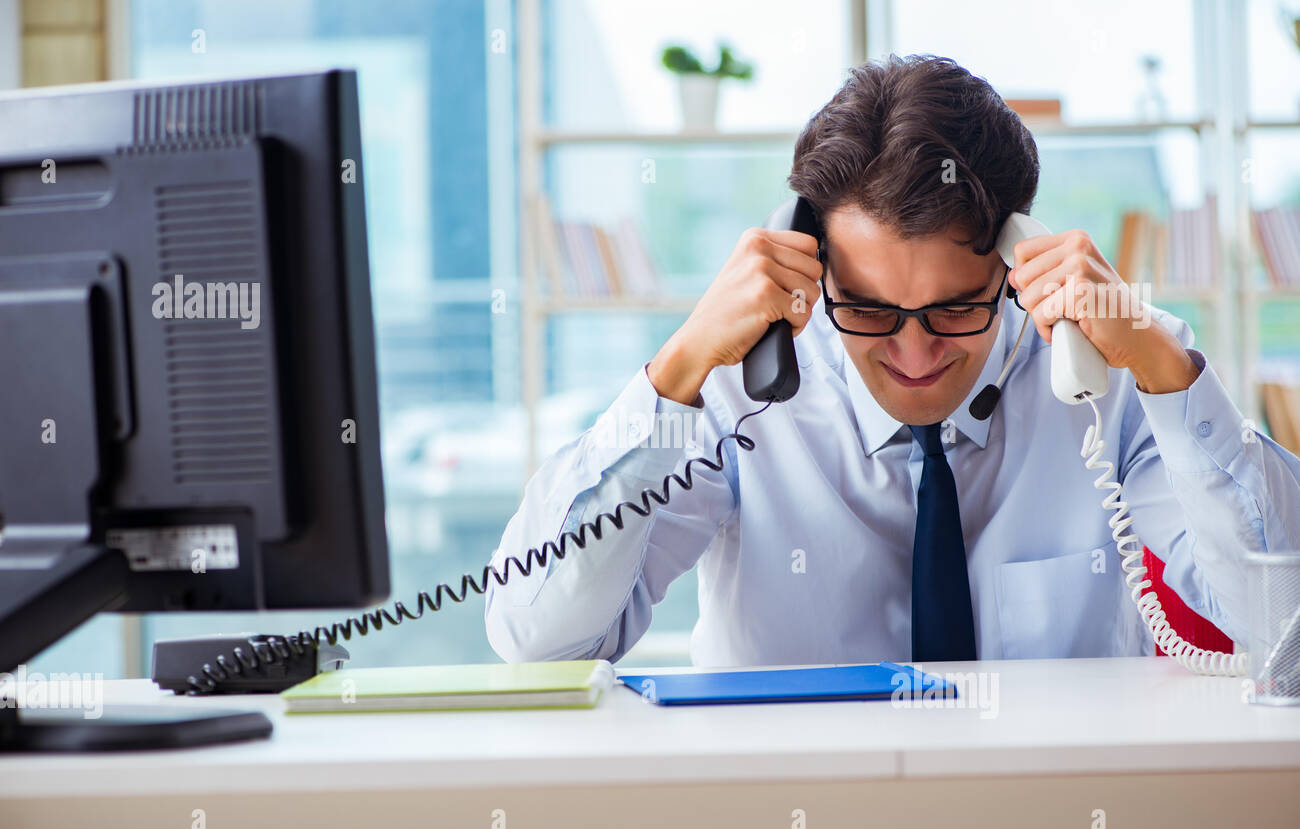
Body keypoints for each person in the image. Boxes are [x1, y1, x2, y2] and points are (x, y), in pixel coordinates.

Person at [484, 54, 1300, 667]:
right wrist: (675, 371)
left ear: (1016, 266)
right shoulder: (737, 397)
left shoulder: (1103, 389)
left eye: (955, 307)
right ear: (814, 265)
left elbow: (1286, 637)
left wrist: (1167, 373)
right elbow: (536, 640)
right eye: (870, 308)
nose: (914, 351)